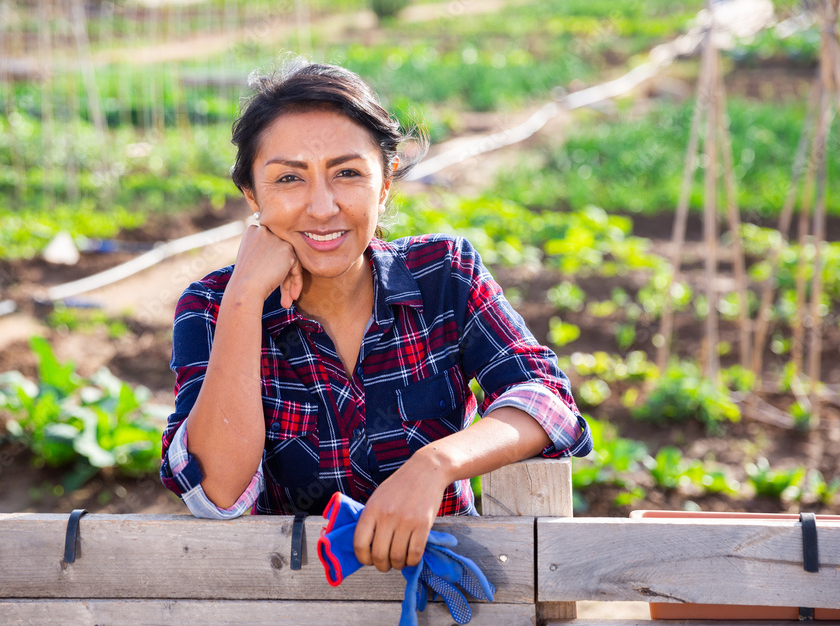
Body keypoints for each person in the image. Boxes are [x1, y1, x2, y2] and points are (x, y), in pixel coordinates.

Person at [160, 60, 592, 574]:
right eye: (289, 179)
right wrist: (244, 297)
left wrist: (433, 465)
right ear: (253, 197)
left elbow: (548, 403)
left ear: (384, 184)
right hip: (288, 611)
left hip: (448, 602)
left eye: (347, 173)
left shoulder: (443, 275)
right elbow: (218, 491)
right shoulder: (212, 306)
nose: (322, 207)